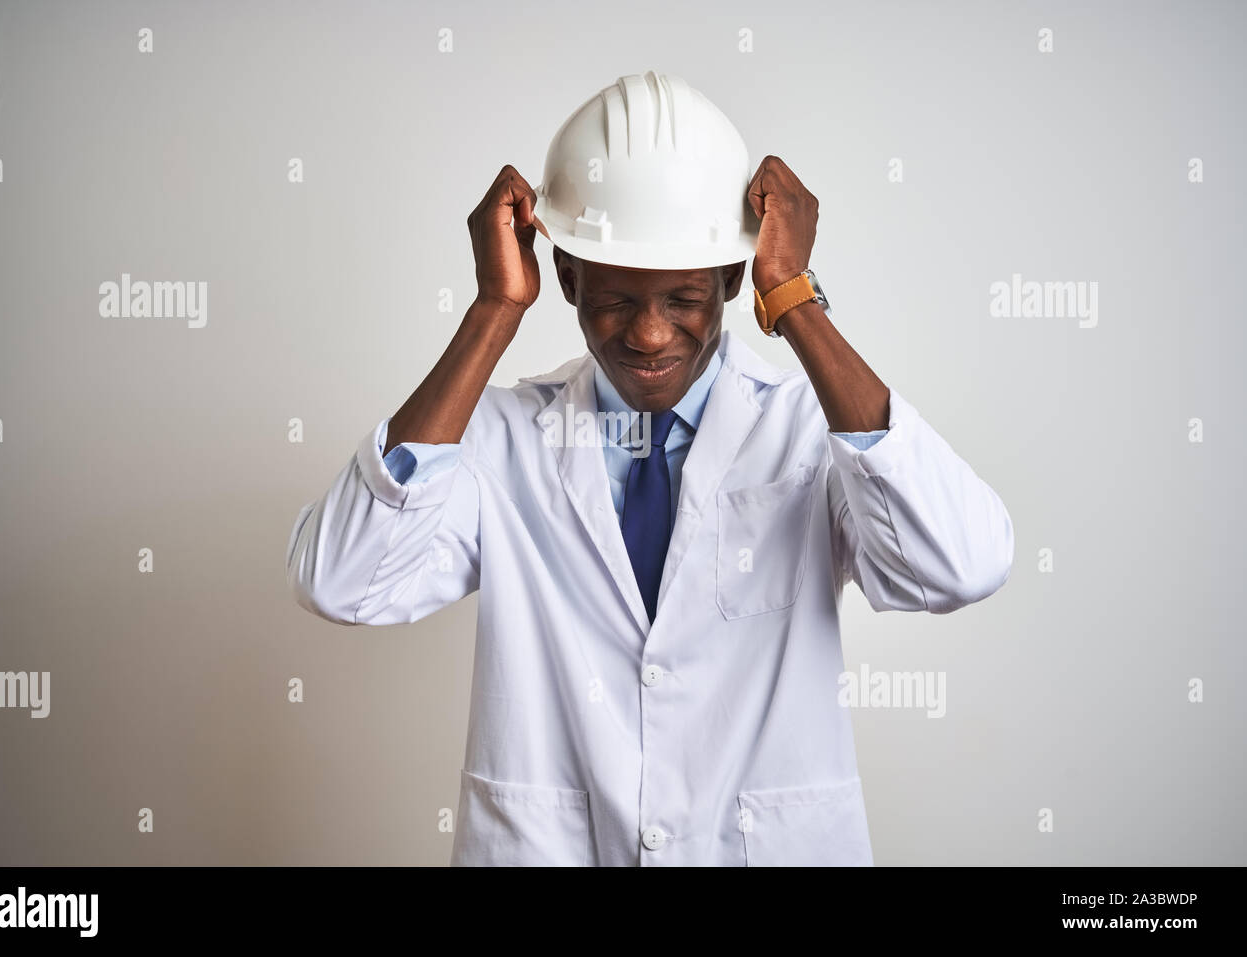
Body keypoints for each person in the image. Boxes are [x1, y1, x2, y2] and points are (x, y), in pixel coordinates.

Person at [285, 71, 1014, 866]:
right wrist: (494, 310)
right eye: (615, 300)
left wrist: (794, 298)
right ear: (567, 278)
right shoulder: (498, 438)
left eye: (683, 299)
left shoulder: (813, 429)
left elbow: (960, 565)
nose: (651, 335)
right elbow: (343, 580)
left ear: (734, 282)